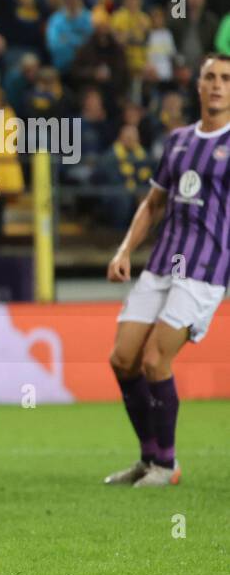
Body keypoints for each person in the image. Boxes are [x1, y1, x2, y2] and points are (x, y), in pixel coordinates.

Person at [104, 53, 230, 488]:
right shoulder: (177, 141)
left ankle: (167, 464)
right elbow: (153, 203)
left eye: (226, 79)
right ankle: (148, 458)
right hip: (161, 264)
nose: (217, 85)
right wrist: (125, 250)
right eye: (210, 77)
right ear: (198, 85)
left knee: (157, 359)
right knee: (123, 360)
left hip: (204, 270)